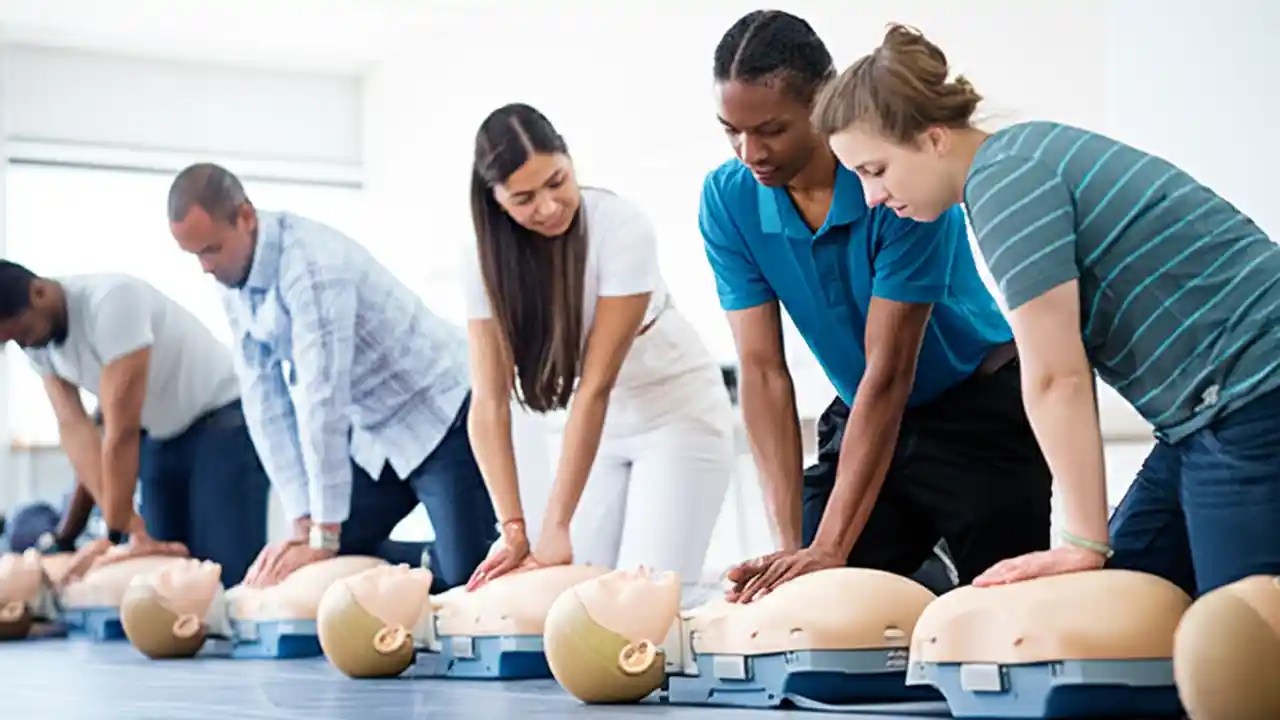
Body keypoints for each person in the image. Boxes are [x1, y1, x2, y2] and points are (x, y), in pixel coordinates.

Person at [811, 23, 1280, 597]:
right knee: (1108, 614)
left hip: (1253, 397)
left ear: (933, 139)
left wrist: (1079, 544)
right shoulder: (1016, 163)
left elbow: (1057, 375)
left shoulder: (1007, 181)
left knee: (1241, 640)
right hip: (1198, 422)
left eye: (875, 170)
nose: (871, 198)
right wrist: (1085, 548)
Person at [700, 10, 1053, 603]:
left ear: (823, 103)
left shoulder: (896, 183)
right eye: (731, 130)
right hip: (863, 410)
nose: (749, 151)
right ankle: (919, 571)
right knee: (808, 603)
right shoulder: (728, 199)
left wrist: (830, 548)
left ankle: (928, 566)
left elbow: (890, 370)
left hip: (977, 413)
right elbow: (762, 372)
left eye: (771, 129)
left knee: (999, 619)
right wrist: (795, 550)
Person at [166, 163, 498, 593]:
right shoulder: (232, 279)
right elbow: (264, 402)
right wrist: (303, 522)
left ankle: (448, 558)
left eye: (210, 249)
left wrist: (323, 532)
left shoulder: (311, 265)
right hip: (378, 434)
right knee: (326, 552)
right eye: (194, 255)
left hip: (441, 415)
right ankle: (417, 565)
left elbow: (323, 401)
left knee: (465, 581)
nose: (205, 268)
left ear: (246, 217)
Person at [464, 103, 735, 597]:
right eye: (523, 198)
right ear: (495, 201)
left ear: (570, 161)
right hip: (598, 432)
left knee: (639, 593)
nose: (547, 207)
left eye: (556, 182)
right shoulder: (482, 260)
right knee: (566, 595)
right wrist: (513, 528)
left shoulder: (620, 227)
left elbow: (595, 386)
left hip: (674, 413)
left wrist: (556, 525)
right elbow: (487, 403)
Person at [0, 261, 269, 585]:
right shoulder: (36, 343)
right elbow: (74, 428)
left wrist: (114, 531)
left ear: (39, 292)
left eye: (24, 333)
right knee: (160, 575)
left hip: (221, 420)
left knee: (223, 570)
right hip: (159, 433)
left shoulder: (111, 300)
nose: (25, 345)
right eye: (14, 341)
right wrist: (127, 527)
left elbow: (120, 427)